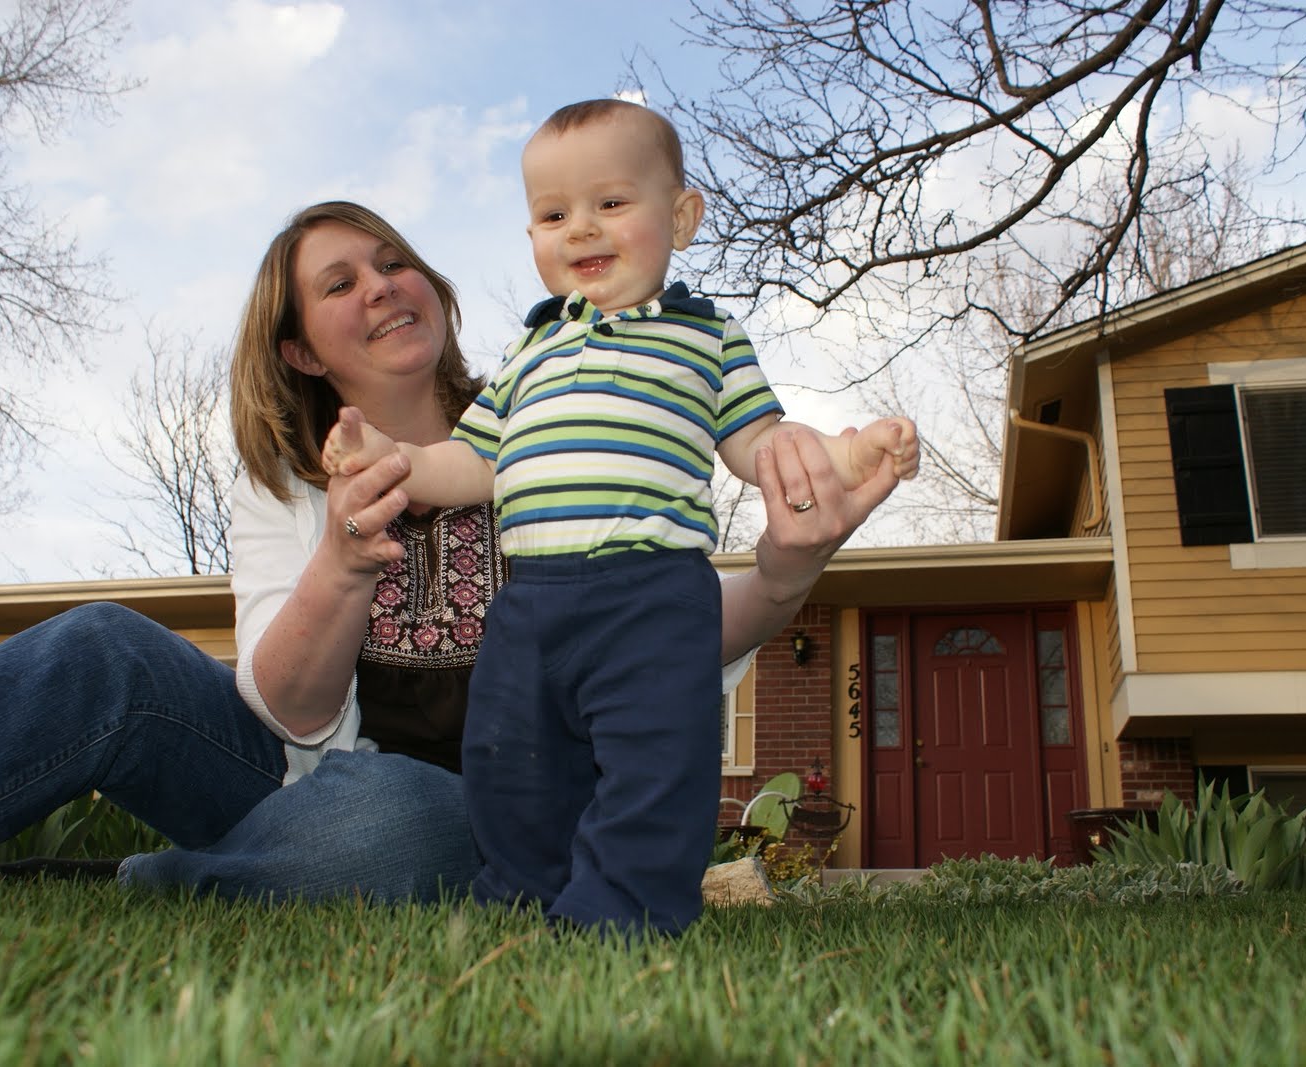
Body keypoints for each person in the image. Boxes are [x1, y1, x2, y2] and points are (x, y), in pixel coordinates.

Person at [0, 199, 910, 904]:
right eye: (340, 284)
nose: (382, 286)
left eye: (393, 263)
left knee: (406, 820)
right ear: (299, 347)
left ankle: (155, 879)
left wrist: (785, 566)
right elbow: (283, 711)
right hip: (279, 775)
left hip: (472, 805)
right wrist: (343, 555)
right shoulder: (286, 475)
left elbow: (656, 628)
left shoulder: (557, 413)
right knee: (99, 650)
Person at [323, 99, 919, 934]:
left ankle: (623, 908)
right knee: (509, 761)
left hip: (651, 591)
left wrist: (839, 456)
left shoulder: (707, 335)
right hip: (527, 600)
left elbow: (758, 441)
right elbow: (470, 462)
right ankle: (525, 892)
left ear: (680, 216)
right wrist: (389, 458)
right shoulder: (528, 351)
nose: (581, 230)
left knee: (653, 762)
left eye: (610, 203)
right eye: (553, 214)